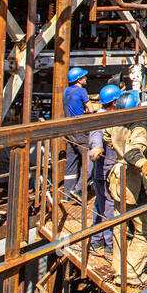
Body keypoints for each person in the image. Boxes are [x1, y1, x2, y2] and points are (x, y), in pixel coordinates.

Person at [100, 88, 147, 287]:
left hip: (116, 178)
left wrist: (118, 149)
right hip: (133, 182)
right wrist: (144, 164)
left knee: (120, 227)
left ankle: (118, 270)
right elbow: (134, 150)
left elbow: (107, 137)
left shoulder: (115, 120)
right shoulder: (138, 126)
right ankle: (131, 271)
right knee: (145, 229)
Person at [84, 83, 124, 251]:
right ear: (114, 103)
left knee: (99, 204)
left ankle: (96, 238)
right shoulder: (102, 119)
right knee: (108, 206)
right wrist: (96, 149)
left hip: (103, 171)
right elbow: (96, 139)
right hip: (104, 171)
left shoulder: (107, 116)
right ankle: (110, 243)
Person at [62, 67, 92, 199]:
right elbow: (90, 109)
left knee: (71, 161)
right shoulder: (81, 91)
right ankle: (78, 189)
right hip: (80, 131)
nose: (86, 79)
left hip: (69, 130)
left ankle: (66, 193)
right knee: (90, 160)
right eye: (84, 77)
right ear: (79, 79)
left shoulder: (66, 91)